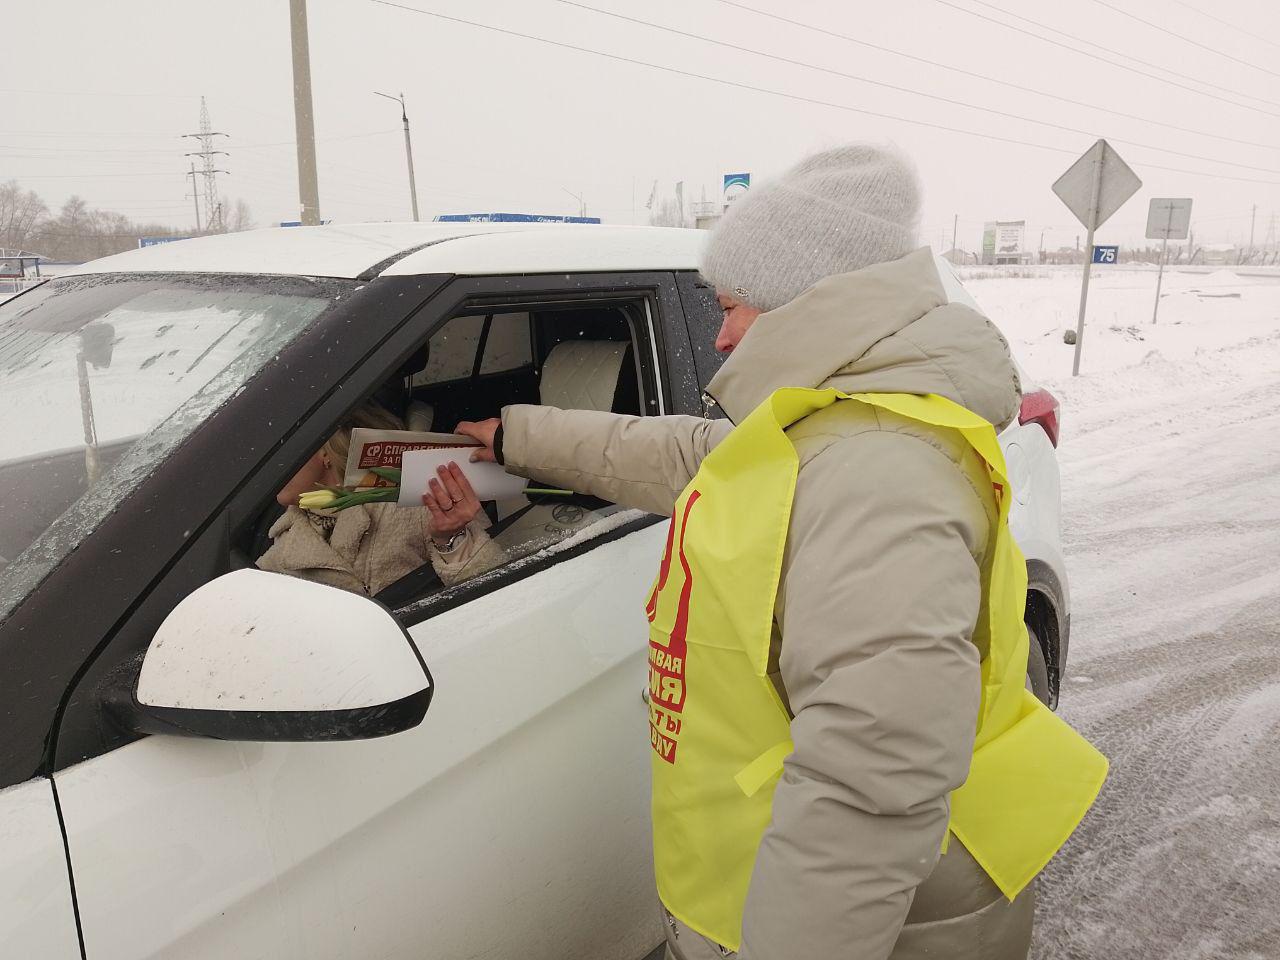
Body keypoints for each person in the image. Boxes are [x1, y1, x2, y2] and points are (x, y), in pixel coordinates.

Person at [458, 144, 1107, 960]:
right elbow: (688, 452)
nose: (721, 337)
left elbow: (869, 777)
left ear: (806, 306)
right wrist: (518, 435)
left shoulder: (879, 468)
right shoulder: (833, 426)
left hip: (894, 923)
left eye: (730, 307)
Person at [258, 403, 505, 594]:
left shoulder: (416, 499)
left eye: (282, 449)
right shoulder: (281, 550)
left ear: (323, 449)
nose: (270, 468)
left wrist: (451, 539)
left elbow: (497, 588)